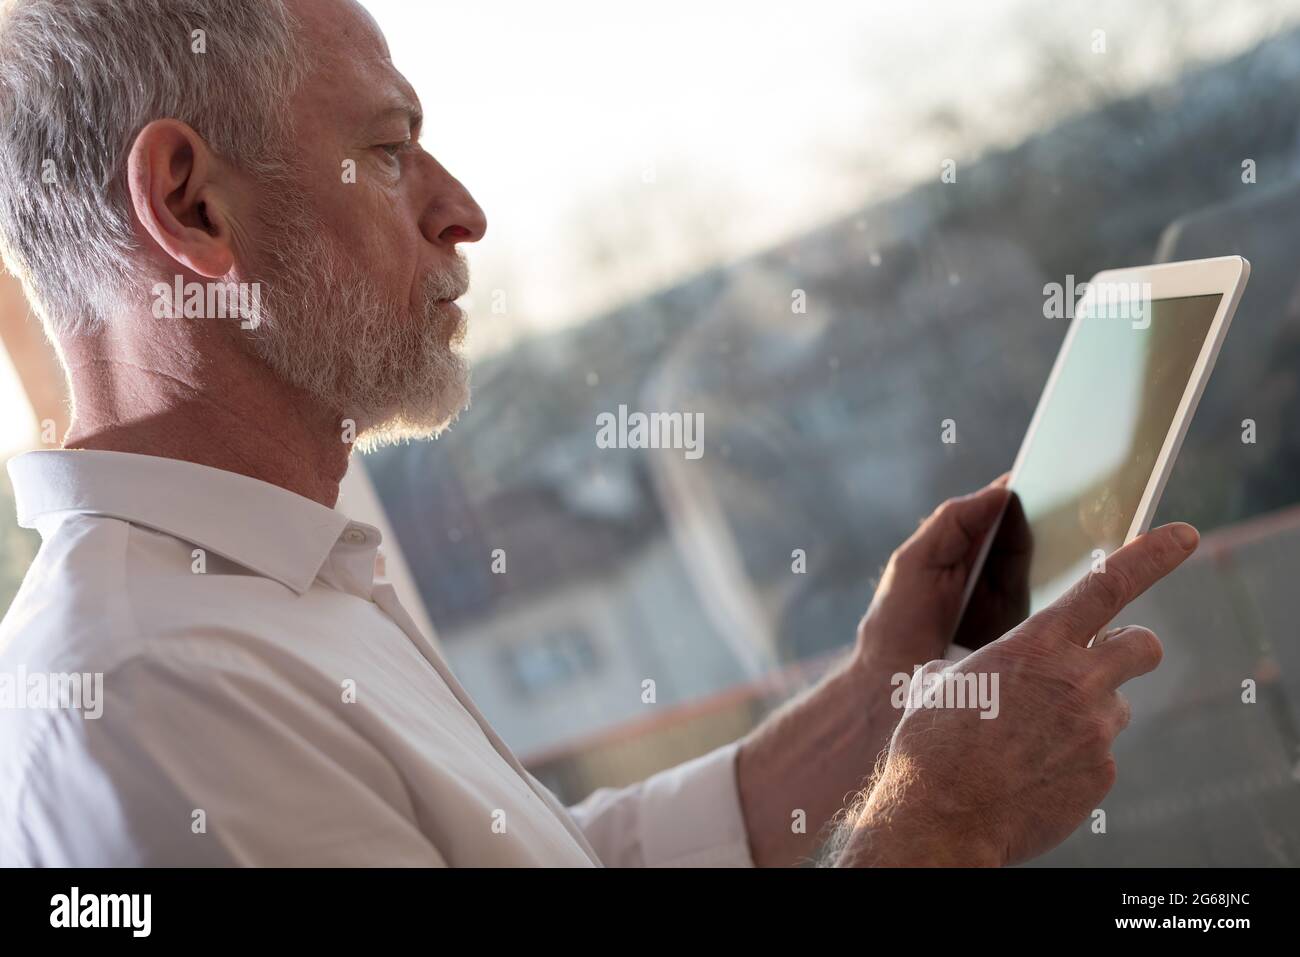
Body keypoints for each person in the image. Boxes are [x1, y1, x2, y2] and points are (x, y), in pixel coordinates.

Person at [0, 0, 1197, 866]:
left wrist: (873, 705)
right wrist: (946, 824)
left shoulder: (261, 597)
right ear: (192, 206)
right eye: (387, 151)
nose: (461, 212)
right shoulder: (158, 695)